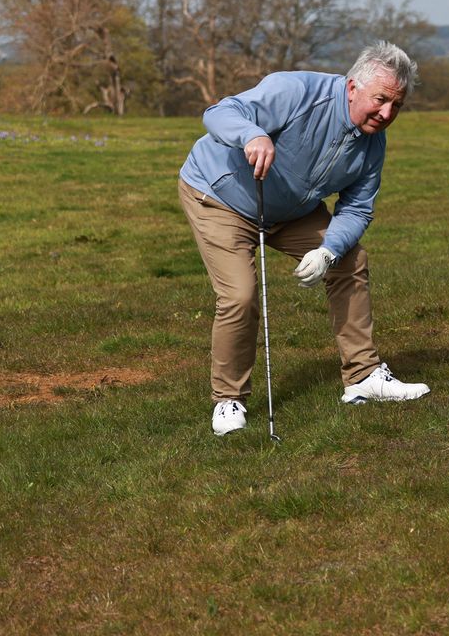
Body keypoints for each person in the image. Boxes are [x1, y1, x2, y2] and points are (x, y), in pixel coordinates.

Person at [178, 41, 430, 435]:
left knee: (349, 260)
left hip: (290, 211)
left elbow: (357, 208)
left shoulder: (372, 143)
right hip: (219, 196)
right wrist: (251, 135)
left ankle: (362, 377)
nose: (386, 113)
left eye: (396, 105)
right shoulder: (295, 90)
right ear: (352, 87)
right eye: (381, 100)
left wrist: (329, 250)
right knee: (240, 294)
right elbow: (220, 113)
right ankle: (228, 401)